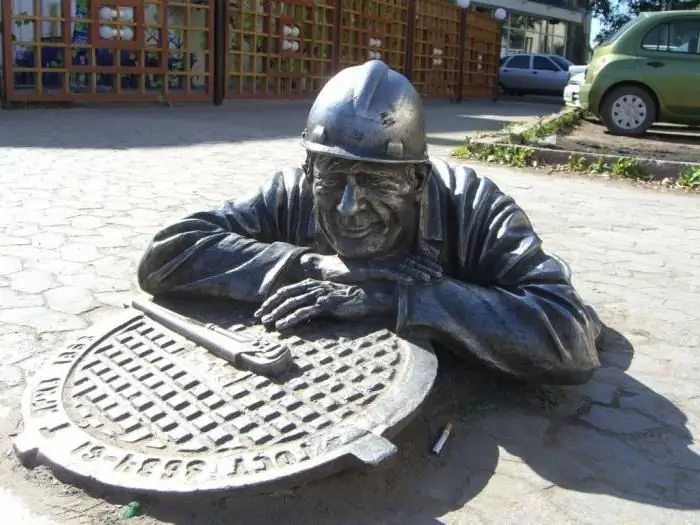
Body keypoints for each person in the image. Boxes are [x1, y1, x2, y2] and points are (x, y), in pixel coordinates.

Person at [137, 60, 602, 385]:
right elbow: (166, 256)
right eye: (333, 177)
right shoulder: (293, 190)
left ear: (418, 178)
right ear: (310, 170)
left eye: (378, 182)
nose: (347, 206)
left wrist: (399, 296)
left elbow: (569, 337)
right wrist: (317, 266)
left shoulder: (474, 206)